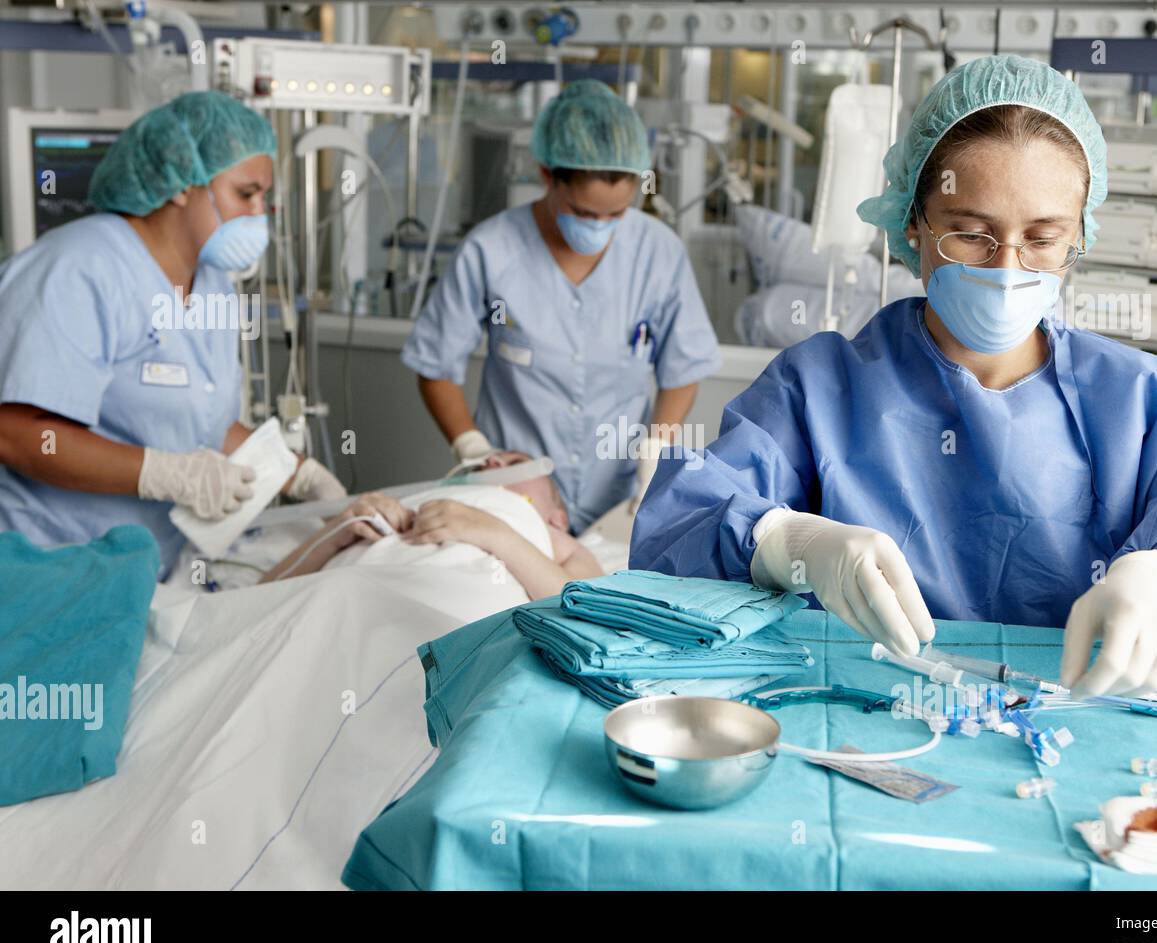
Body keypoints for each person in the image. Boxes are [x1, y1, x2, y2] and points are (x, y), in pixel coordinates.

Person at [630, 55, 1157, 697]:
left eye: (1042, 237)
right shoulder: (818, 390)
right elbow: (672, 533)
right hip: (864, 723)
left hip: (1092, 734)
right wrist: (782, 540)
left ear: (1080, 238)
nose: (1006, 266)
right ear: (914, 225)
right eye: (971, 233)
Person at [0, 90, 344, 577]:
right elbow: (17, 435)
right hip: (48, 562)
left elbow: (208, 423)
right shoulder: (78, 269)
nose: (260, 213)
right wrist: (163, 474)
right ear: (184, 183)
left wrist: (297, 472)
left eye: (265, 197)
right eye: (246, 194)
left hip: (149, 566)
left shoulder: (213, 287)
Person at [402, 79, 721, 533]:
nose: (601, 228)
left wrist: (655, 449)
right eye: (586, 214)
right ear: (547, 175)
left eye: (616, 215)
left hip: (617, 498)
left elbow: (684, 369)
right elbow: (434, 363)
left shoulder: (658, 252)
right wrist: (472, 449)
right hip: (515, 496)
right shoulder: (491, 250)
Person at [262, 452, 603, 599]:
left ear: (557, 517)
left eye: (514, 463)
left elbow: (591, 610)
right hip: (329, 609)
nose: (493, 462)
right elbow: (265, 592)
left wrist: (495, 533)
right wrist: (337, 531)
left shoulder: (550, 535)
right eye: (486, 463)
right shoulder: (415, 502)